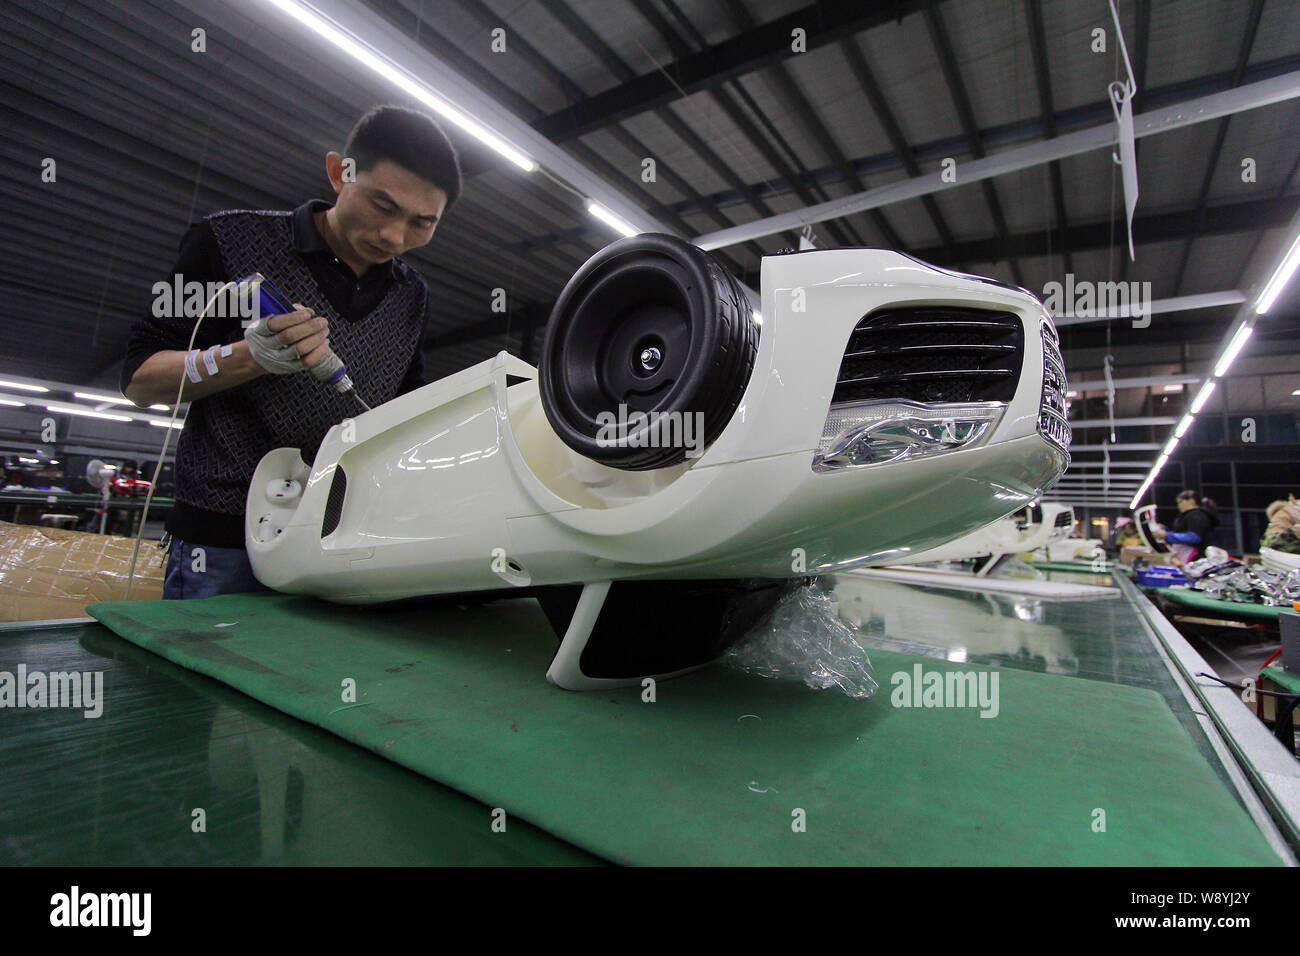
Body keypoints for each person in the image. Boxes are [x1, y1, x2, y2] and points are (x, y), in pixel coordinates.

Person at [121, 105, 462, 599]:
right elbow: (139, 378)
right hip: (223, 544)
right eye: (383, 206)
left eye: (422, 223)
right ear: (337, 172)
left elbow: (400, 412)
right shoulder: (228, 242)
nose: (395, 236)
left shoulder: (412, 295)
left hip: (340, 539)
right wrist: (246, 358)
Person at [1155, 490, 1219, 562]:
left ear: (1191, 501)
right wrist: (1165, 530)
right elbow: (1181, 532)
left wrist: (1167, 535)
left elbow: (1194, 537)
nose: (1178, 506)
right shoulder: (1189, 516)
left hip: (1194, 559)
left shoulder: (1196, 515)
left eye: (1180, 502)